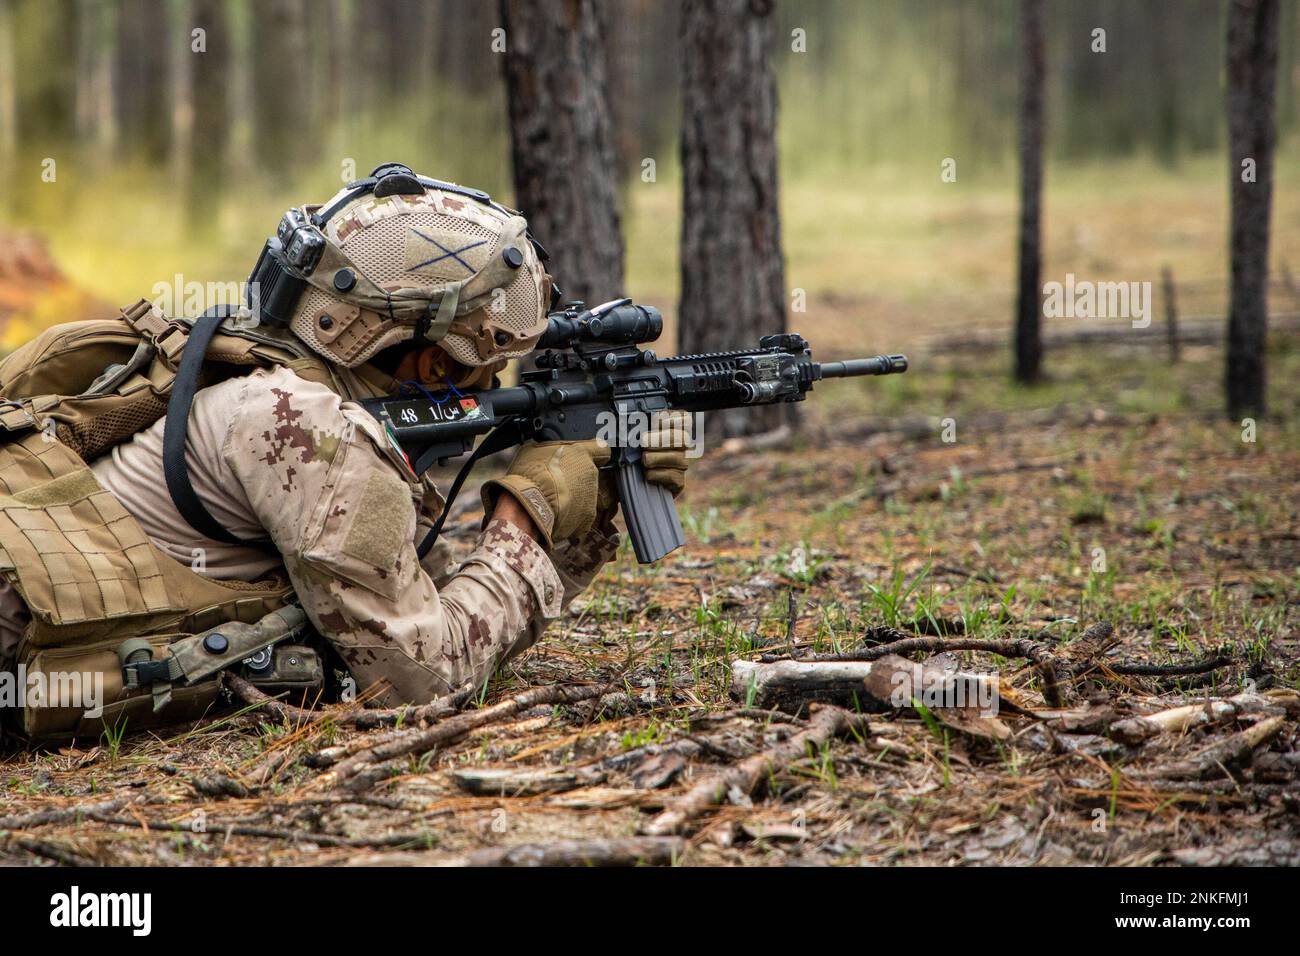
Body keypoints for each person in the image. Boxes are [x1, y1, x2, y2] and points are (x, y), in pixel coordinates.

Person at [0, 164, 690, 737]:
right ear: (426, 363)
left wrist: (585, 519)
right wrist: (527, 518)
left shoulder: (267, 375)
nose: (494, 384)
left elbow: (419, 603)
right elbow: (421, 681)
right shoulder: (315, 431)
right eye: (488, 363)